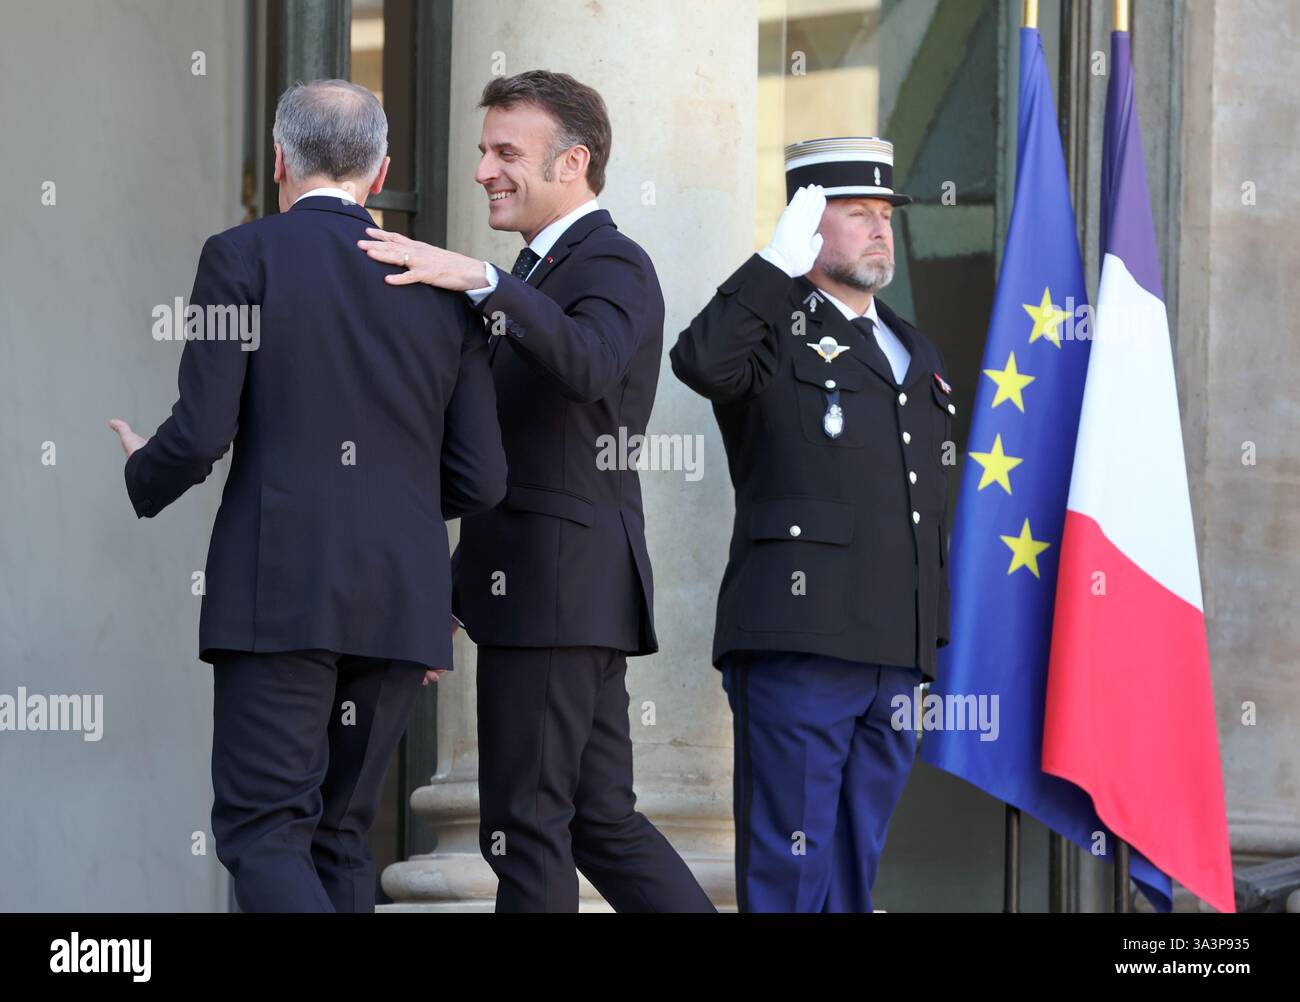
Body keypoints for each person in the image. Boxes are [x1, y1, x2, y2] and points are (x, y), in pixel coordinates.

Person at [108, 79, 507, 912]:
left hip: (279, 590)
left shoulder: (239, 256)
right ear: (382, 168)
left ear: (280, 159)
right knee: (339, 836)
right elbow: (480, 480)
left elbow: (203, 430)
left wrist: (145, 469)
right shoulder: (441, 287)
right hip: (402, 604)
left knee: (264, 831)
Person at [358, 70, 714, 913]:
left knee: (522, 825)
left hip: (561, 588)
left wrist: (480, 280)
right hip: (550, 587)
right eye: (483, 151)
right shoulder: (541, 269)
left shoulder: (613, 262)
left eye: (506, 151)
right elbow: (506, 448)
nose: (484, 169)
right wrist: (450, 584)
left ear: (574, 162)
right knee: (597, 821)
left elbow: (588, 363)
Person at [670, 137, 954, 912]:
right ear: (806, 222)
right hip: (801, 642)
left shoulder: (909, 345)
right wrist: (773, 265)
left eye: (884, 216)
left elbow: (922, 501)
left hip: (895, 649)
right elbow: (700, 361)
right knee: (789, 867)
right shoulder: (769, 326)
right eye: (855, 214)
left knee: (855, 869)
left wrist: (932, 637)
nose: (878, 230)